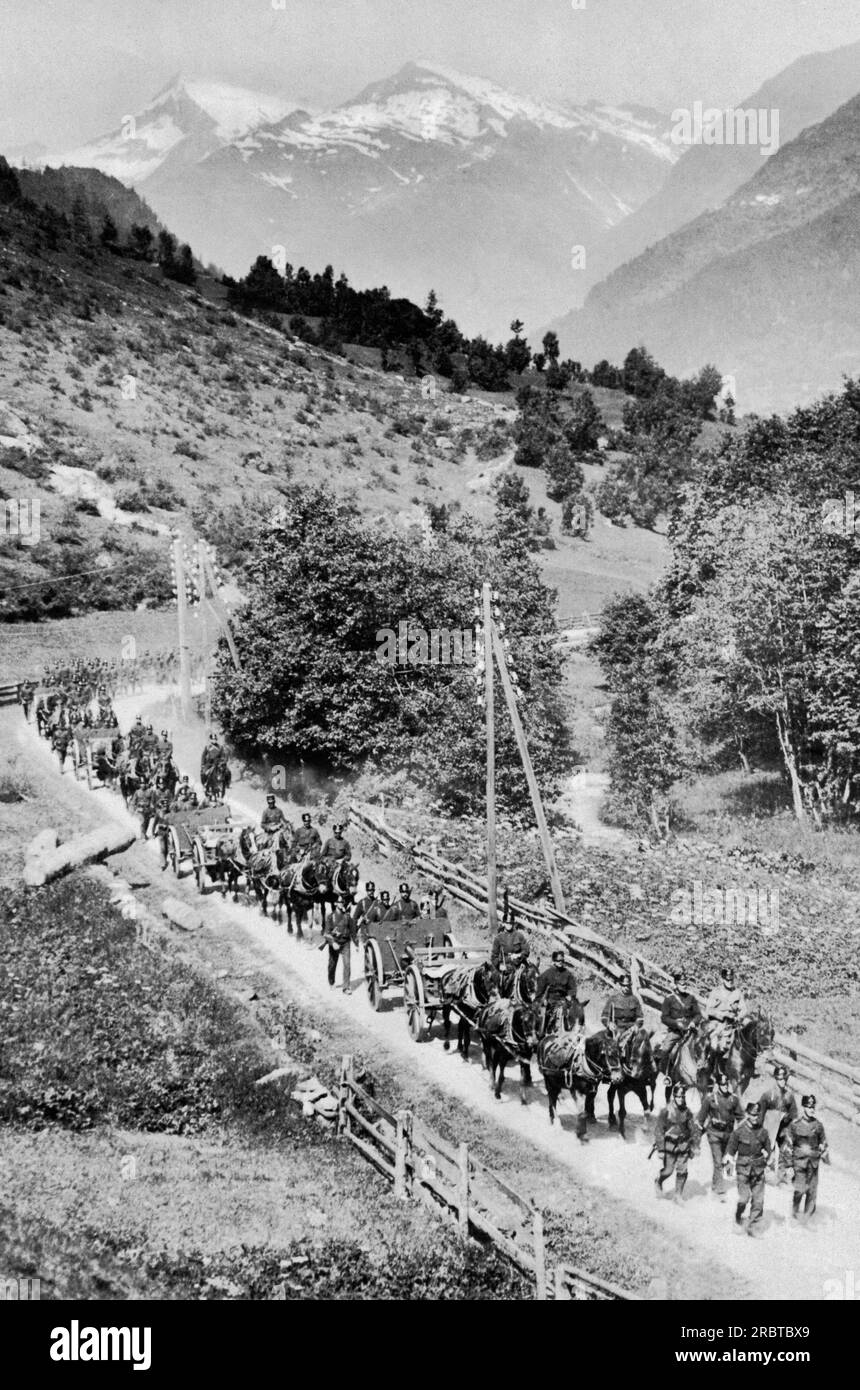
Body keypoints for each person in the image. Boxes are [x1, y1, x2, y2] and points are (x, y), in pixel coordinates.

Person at [724, 1099, 772, 1237]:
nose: (755, 1118)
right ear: (747, 1114)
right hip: (743, 1170)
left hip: (758, 1170)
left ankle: (753, 1227)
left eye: (757, 1115)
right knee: (744, 1198)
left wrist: (768, 1159)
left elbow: (769, 1151)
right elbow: (729, 1152)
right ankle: (738, 1217)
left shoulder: (763, 1132)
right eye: (752, 1115)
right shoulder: (738, 1132)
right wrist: (728, 1168)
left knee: (758, 1200)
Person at [654, 1083, 701, 1203]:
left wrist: (695, 1145)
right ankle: (659, 1181)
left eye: (682, 1097)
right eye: (678, 1097)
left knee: (682, 1171)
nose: (680, 1099)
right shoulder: (666, 1111)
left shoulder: (687, 1112)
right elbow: (659, 1130)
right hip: (669, 1146)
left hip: (683, 1145)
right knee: (668, 1170)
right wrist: (660, 1149)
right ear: (673, 1097)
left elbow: (693, 1129)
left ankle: (678, 1195)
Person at [697, 1077, 744, 1195]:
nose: (725, 1087)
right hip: (714, 1133)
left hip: (728, 1134)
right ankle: (719, 1188)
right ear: (718, 1085)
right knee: (718, 1161)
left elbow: (741, 1118)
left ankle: (716, 1183)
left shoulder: (734, 1099)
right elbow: (701, 1118)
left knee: (727, 1160)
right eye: (722, 1085)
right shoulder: (710, 1099)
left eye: (726, 1084)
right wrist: (696, 1138)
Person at [785, 1095, 828, 1220]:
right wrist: (788, 1165)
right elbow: (788, 1146)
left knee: (812, 1192)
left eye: (813, 1107)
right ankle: (794, 1213)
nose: (811, 1109)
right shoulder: (795, 1125)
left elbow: (823, 1142)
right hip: (799, 1163)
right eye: (809, 1107)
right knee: (799, 1189)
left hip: (813, 1164)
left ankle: (807, 1218)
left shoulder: (818, 1125)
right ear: (803, 1107)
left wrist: (823, 1149)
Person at [653, 969, 702, 1073]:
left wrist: (693, 1022)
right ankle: (667, 1074)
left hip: (691, 1031)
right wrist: (676, 1023)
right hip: (676, 1032)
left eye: (685, 984)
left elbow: (698, 1014)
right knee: (666, 1050)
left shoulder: (691, 998)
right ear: (676, 984)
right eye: (681, 984)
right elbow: (664, 1017)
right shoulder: (669, 999)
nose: (684, 986)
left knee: (706, 1046)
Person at [758, 1064, 799, 1183]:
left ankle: (783, 1174)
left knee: (786, 1148)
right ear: (776, 1079)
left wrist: (787, 1117)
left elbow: (794, 1114)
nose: (782, 1082)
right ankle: (765, 1172)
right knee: (765, 1148)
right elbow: (761, 1112)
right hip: (769, 1126)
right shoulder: (768, 1095)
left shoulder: (789, 1096)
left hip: (783, 1127)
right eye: (780, 1079)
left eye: (784, 1079)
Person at [705, 966, 748, 1067]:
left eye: (731, 979)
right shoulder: (716, 992)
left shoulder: (737, 992)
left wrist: (739, 1017)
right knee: (714, 1045)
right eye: (727, 979)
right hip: (717, 1023)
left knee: (743, 1042)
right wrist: (722, 1015)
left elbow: (744, 1009)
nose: (730, 982)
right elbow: (709, 1010)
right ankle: (710, 1065)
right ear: (722, 979)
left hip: (732, 1024)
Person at [534, 950, 581, 1032]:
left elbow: (573, 988)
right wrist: (542, 999)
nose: (560, 962)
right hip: (550, 998)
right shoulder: (548, 973)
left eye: (562, 961)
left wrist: (570, 995)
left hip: (563, 999)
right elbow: (540, 987)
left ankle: (566, 1032)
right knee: (543, 1014)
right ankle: (542, 1032)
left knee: (568, 1013)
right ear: (554, 961)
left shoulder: (568, 974)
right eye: (558, 960)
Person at [323, 893, 357, 994]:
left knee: (347, 965)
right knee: (332, 964)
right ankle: (331, 981)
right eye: (339, 902)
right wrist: (333, 943)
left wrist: (356, 943)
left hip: (346, 943)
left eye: (342, 902)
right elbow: (326, 933)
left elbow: (353, 930)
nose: (341, 904)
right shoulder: (331, 917)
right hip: (335, 943)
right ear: (335, 903)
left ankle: (346, 987)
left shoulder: (347, 916)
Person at [601, 972, 644, 1041]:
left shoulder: (634, 1000)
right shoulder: (613, 999)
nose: (626, 988)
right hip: (616, 1029)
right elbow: (604, 1016)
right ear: (620, 985)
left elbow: (640, 1017)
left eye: (628, 985)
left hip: (631, 1029)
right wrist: (609, 1024)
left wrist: (636, 1026)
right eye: (624, 985)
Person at [490, 914, 530, 978]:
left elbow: (526, 950)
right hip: (505, 966)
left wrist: (518, 955)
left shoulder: (519, 935)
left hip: (519, 964)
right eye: (507, 923)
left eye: (511, 923)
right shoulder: (498, 938)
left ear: (513, 924)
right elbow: (494, 956)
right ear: (503, 923)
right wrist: (499, 965)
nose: (509, 925)